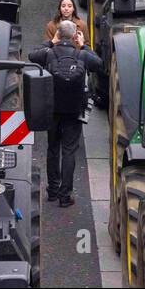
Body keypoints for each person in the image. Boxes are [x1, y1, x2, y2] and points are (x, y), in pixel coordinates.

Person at [28, 20, 103, 207]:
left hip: (52, 109)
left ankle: (52, 190)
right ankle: (65, 195)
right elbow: (99, 64)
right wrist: (84, 44)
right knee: (69, 151)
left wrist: (50, 42)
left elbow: (31, 55)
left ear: (58, 35)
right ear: (75, 35)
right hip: (74, 109)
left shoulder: (49, 53)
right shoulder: (82, 54)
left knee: (53, 149)